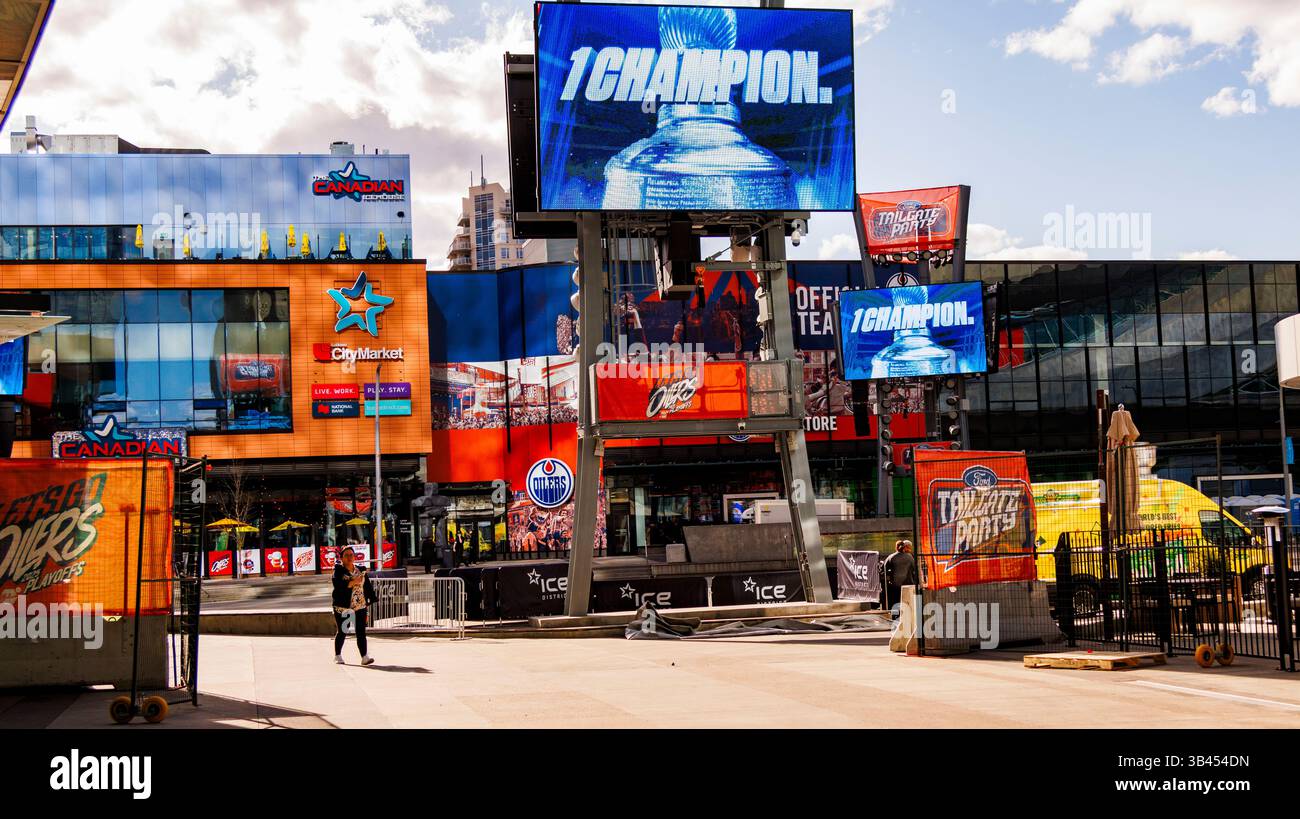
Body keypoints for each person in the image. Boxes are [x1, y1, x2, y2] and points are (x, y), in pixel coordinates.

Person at [331, 546, 376, 665]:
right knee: (343, 631)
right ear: (341, 558)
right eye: (346, 555)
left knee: (361, 631)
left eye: (351, 555)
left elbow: (367, 586)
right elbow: (338, 585)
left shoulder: (361, 570)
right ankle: (338, 655)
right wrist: (352, 582)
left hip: (360, 606)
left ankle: (364, 656)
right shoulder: (338, 571)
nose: (349, 557)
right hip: (344, 607)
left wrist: (371, 598)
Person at [883, 539, 918, 614]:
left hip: (895, 585)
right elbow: (915, 568)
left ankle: (896, 616)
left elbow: (884, 568)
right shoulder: (909, 557)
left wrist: (889, 577)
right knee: (907, 603)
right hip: (908, 584)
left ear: (896, 547)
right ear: (904, 547)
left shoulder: (891, 557)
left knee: (896, 602)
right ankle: (906, 615)